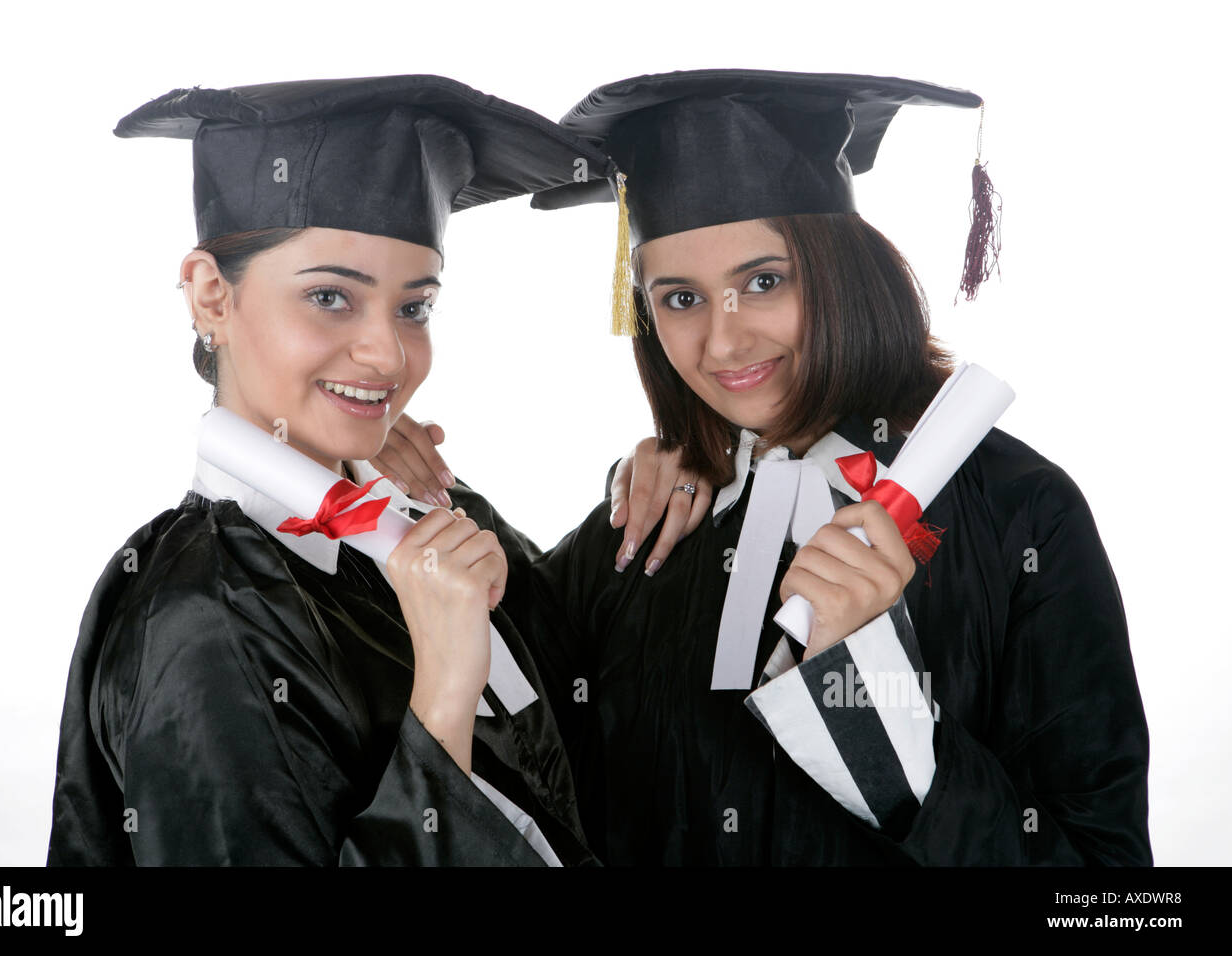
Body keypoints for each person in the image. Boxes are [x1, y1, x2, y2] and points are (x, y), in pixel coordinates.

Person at [378, 70, 1153, 865]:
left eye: (764, 281)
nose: (725, 343)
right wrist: (400, 478)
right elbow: (521, 719)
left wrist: (872, 699)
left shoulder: (1019, 514)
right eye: (681, 299)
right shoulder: (655, 522)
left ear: (848, 271)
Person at [45, 75, 700, 867]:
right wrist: (445, 693)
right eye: (329, 296)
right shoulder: (204, 619)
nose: (388, 355)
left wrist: (667, 471)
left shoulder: (425, 516)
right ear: (212, 296)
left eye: (414, 307)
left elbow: (590, 676)